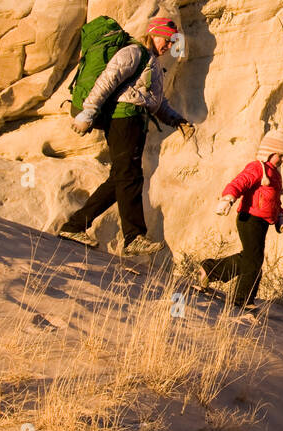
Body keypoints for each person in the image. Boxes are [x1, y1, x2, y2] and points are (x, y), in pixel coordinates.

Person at [57, 16, 193, 254]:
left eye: (173, 42)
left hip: (135, 122)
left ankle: (75, 226)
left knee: (119, 179)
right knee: (130, 176)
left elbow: (157, 102)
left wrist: (176, 120)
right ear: (152, 33)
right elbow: (107, 80)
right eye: (166, 40)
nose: (169, 46)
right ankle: (134, 237)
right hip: (123, 119)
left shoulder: (152, 63)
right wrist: (88, 112)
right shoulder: (133, 53)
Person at [200, 129, 283, 308]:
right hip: (249, 219)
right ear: (269, 153)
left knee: (252, 259)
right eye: (280, 155)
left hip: (262, 222)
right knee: (253, 259)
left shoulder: (275, 175)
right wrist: (228, 199)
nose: (282, 160)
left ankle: (212, 272)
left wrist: (280, 217)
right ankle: (240, 299)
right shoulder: (257, 168)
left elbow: (275, 200)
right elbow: (239, 182)